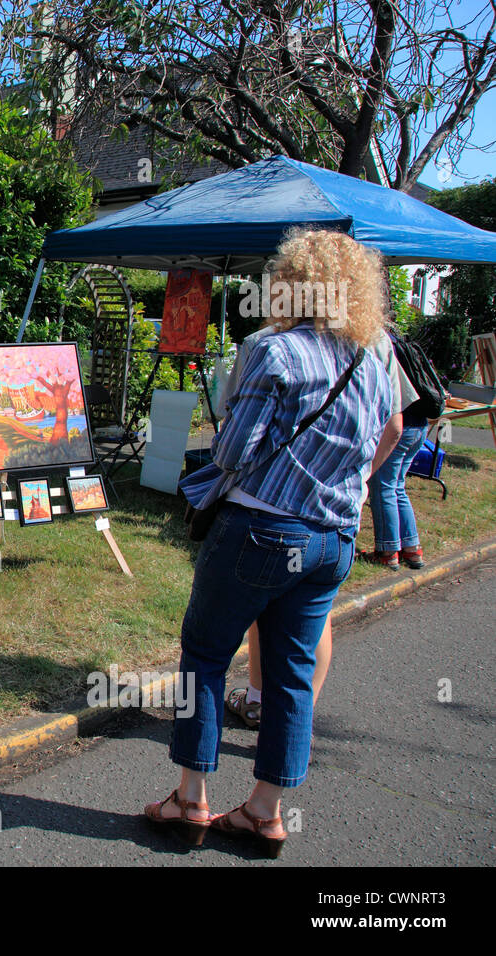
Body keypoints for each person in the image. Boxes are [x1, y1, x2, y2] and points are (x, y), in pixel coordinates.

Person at [145, 228, 395, 857]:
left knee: (204, 655)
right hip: (334, 537)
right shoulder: (373, 354)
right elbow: (382, 439)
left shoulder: (274, 351)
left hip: (261, 527)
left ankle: (191, 799)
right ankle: (264, 810)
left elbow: (233, 451)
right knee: (290, 675)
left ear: (289, 283)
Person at [221, 312, 415, 727]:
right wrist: (357, 482)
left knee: (232, 627)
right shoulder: (374, 343)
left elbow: (233, 442)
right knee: (309, 624)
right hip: (335, 523)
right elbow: (394, 428)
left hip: (268, 518)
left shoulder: (268, 342)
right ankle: (289, 723)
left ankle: (256, 704)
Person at [362, 319, 428, 570]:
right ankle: (412, 549)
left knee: (383, 488)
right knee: (397, 487)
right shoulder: (397, 343)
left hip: (401, 423)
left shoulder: (376, 342)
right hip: (418, 425)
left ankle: (388, 551)